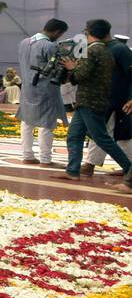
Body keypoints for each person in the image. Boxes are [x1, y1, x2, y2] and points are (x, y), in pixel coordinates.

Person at [58, 19, 132, 184]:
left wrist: (71, 67)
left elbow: (80, 76)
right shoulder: (106, 50)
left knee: (101, 138)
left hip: (90, 100)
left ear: (87, 32)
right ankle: (73, 170)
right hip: (92, 100)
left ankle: (129, 168)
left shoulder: (93, 51)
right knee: (74, 135)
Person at [17, 19, 68, 166]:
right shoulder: (50, 46)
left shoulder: (24, 42)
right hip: (45, 90)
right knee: (47, 123)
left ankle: (27, 156)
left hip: (27, 88)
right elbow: (58, 71)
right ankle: (45, 159)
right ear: (57, 32)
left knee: (27, 121)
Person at [82, 29, 132, 176]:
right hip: (109, 99)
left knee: (104, 131)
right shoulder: (106, 49)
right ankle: (127, 166)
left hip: (117, 100)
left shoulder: (120, 51)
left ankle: (91, 164)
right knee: (114, 132)